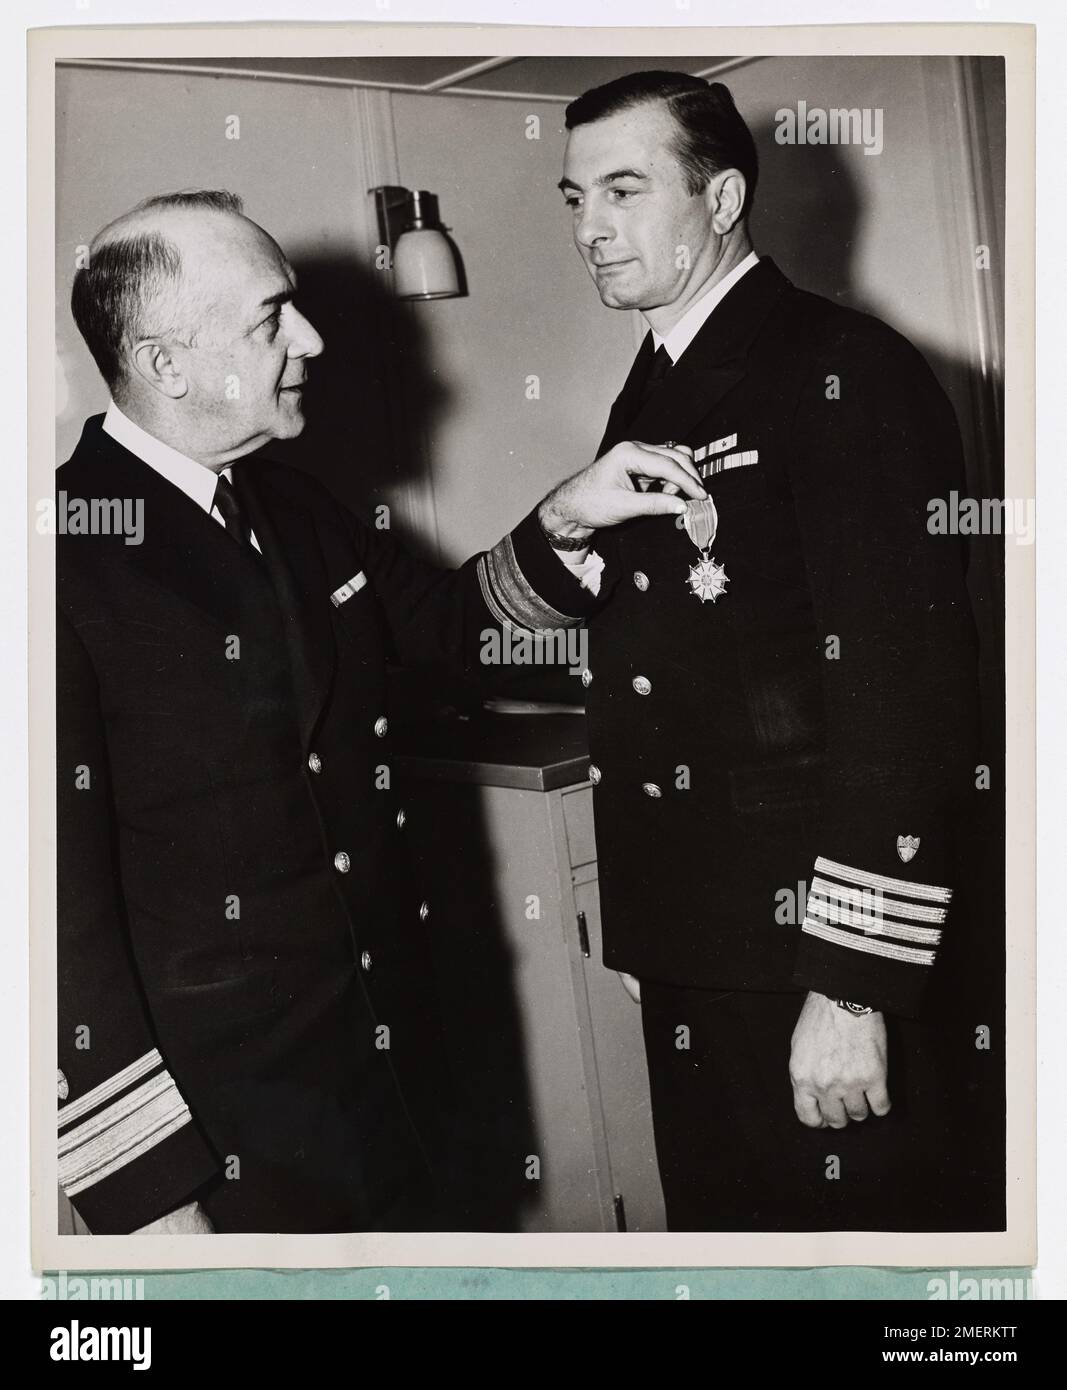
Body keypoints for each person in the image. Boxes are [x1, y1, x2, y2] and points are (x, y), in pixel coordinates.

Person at [56, 189, 703, 1234]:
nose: (308, 339)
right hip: (227, 1138)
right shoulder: (57, 559)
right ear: (165, 362)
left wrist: (567, 514)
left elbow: (452, 632)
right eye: (271, 319)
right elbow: (51, 926)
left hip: (388, 1077)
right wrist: (149, 1194)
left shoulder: (293, 504)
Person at [556, 72, 983, 1230]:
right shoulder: (658, 379)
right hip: (705, 938)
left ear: (722, 195)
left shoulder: (841, 368)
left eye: (624, 189)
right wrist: (656, 920)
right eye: (574, 196)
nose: (589, 226)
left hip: (813, 949)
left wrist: (852, 984)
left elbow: (906, 691)